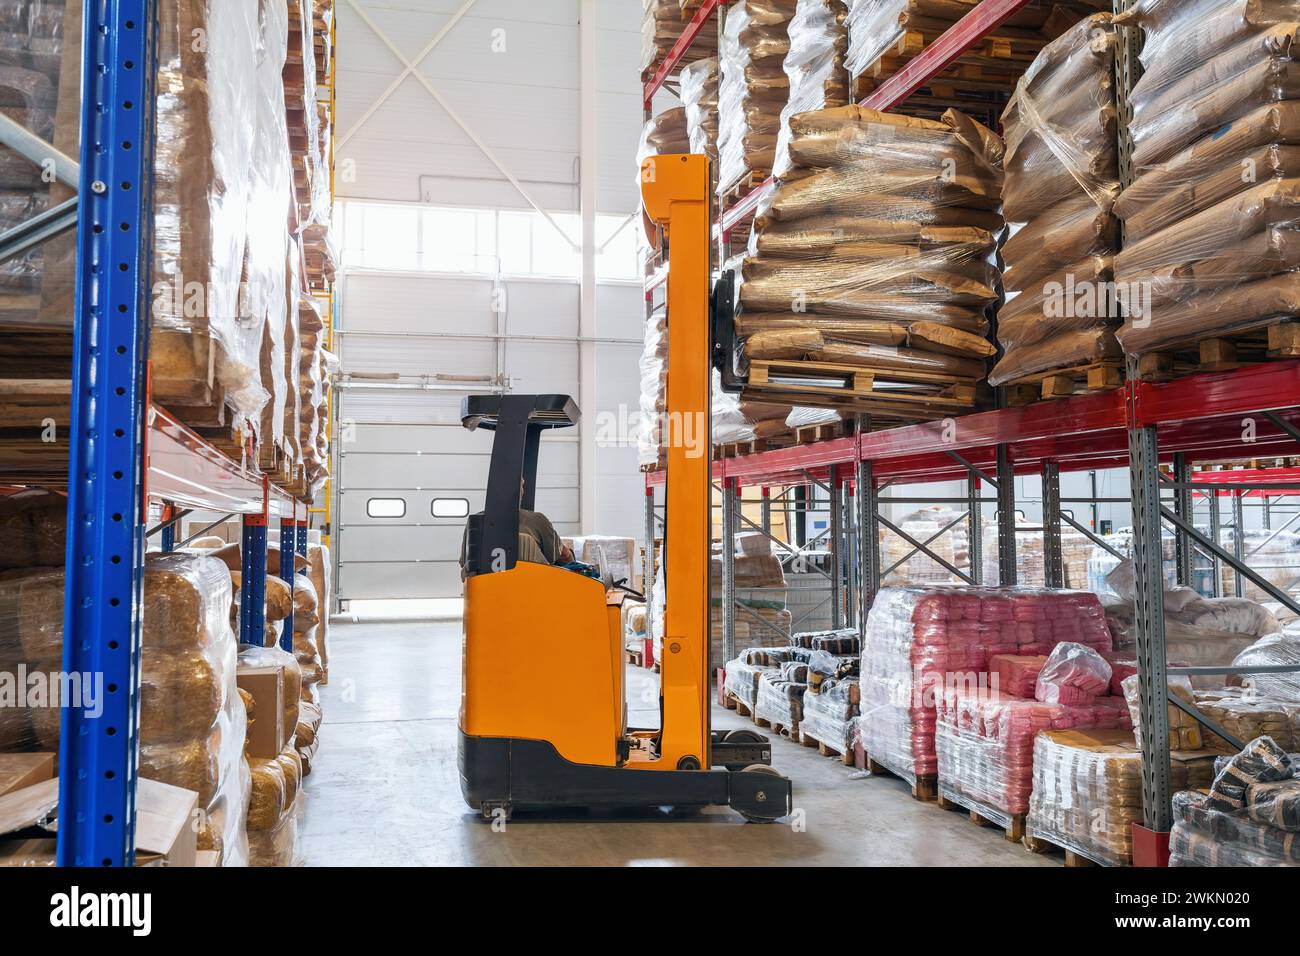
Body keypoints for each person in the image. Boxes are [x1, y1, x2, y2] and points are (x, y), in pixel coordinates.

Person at [460, 478, 573, 575]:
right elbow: (560, 556)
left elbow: (464, 562)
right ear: (520, 492)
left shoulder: (474, 523)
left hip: (484, 590)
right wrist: (568, 553)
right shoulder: (538, 521)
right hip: (531, 588)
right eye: (522, 486)